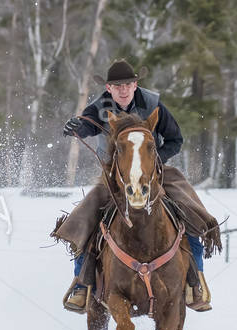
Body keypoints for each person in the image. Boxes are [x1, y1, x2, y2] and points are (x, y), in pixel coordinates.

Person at [54, 59, 221, 313]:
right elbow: (87, 124)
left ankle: (195, 279)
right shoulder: (100, 107)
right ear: (108, 88)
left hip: (154, 173)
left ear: (135, 85)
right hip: (114, 177)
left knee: (192, 212)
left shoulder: (153, 105)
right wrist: (77, 126)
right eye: (117, 85)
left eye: (128, 84)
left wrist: (154, 162)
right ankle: (81, 284)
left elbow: (176, 139)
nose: (123, 90)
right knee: (85, 218)